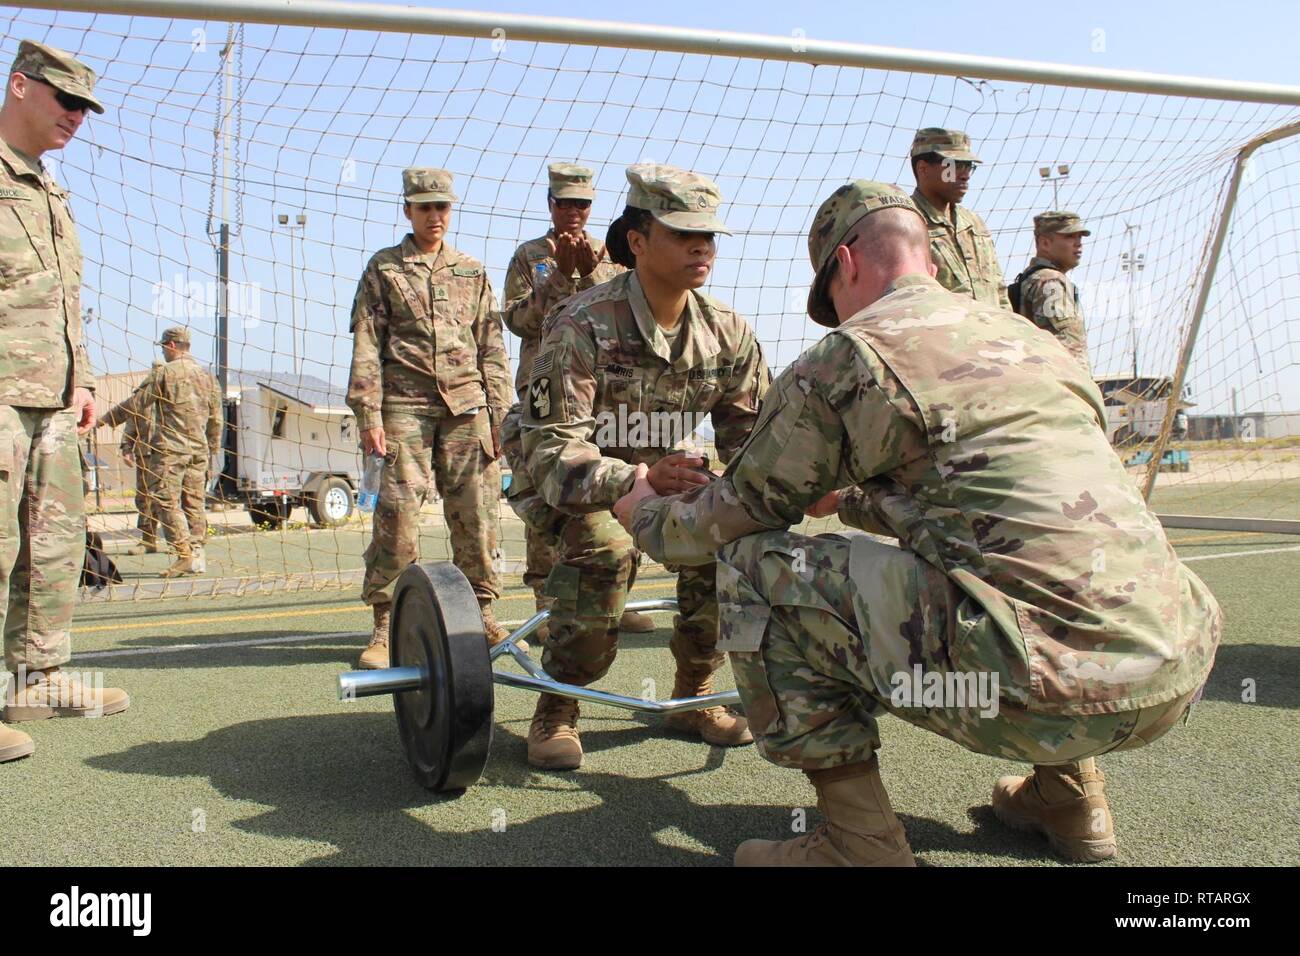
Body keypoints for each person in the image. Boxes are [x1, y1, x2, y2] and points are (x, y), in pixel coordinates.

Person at [617, 180, 1222, 866]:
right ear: (929, 262)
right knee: (1043, 570)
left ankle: (859, 844)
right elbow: (998, 505)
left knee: (756, 567)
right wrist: (843, 500)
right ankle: (1072, 797)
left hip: (1036, 690)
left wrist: (639, 504)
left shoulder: (846, 356)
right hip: (1174, 667)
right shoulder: (1036, 344)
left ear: (844, 265)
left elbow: (722, 523)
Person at [520, 163, 770, 770]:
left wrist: (788, 491)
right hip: (571, 482)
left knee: (733, 534)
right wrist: (633, 481)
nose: (701, 247)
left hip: (664, 479)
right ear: (637, 241)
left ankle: (693, 692)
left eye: (708, 236)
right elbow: (551, 449)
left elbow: (754, 440)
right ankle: (559, 704)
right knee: (607, 548)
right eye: (683, 233)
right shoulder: (580, 323)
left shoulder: (727, 333)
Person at [0, 40, 130, 763]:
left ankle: (37, 677)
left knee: (54, 548)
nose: (76, 116)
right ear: (19, 86)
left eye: (84, 106)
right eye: (64, 100)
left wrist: (81, 382)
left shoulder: (47, 189)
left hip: (50, 400)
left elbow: (62, 300)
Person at [347, 168, 513, 670]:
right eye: (424, 208)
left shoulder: (470, 270)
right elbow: (366, 341)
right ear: (408, 211)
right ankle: (386, 621)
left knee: (478, 514)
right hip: (403, 407)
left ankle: (481, 615)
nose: (434, 216)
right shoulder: (384, 269)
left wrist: (501, 414)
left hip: (467, 408)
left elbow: (491, 344)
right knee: (396, 513)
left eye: (442, 207)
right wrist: (368, 412)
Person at [500, 162, 653, 639]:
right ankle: (547, 601)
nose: (573, 212)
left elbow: (623, 309)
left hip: (608, 390)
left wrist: (588, 276)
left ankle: (617, 595)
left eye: (582, 204)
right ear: (550, 204)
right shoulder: (529, 256)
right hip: (546, 386)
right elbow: (519, 321)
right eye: (564, 203)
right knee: (554, 487)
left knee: (617, 484)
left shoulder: (613, 254)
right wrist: (558, 279)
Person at [98, 327, 221, 578]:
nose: (163, 351)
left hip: (170, 450)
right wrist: (212, 450)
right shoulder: (208, 377)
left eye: (164, 346)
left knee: (165, 499)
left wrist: (103, 420)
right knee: (194, 502)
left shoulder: (165, 373)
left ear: (173, 345)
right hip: (198, 451)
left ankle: (184, 554)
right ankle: (197, 555)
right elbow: (216, 419)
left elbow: (137, 403)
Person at [909, 127, 1011, 310]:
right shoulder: (907, 222)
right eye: (954, 165)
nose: (965, 175)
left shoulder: (974, 223)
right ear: (923, 169)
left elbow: (999, 291)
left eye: (968, 166)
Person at [1013, 211, 1093, 374]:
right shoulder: (1051, 281)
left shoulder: (1031, 277)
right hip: (1064, 385)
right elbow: (1068, 347)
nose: (1078, 244)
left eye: (1080, 237)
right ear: (1045, 244)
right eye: (1069, 237)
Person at [103, 361, 162, 555]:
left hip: (171, 454)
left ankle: (185, 544)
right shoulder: (141, 398)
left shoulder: (177, 397)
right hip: (146, 454)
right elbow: (132, 423)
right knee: (144, 498)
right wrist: (127, 448)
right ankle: (148, 540)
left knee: (173, 498)